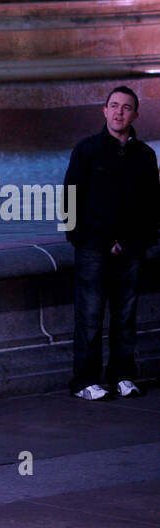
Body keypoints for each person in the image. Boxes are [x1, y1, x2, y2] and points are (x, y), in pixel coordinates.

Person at [63, 85, 160, 400]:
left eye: (126, 107)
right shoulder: (87, 150)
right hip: (93, 248)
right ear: (104, 111)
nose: (119, 112)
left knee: (125, 317)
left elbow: (151, 203)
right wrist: (78, 238)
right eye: (114, 106)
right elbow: (70, 197)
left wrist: (142, 240)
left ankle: (122, 376)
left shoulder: (144, 155)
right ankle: (85, 381)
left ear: (135, 114)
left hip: (131, 249)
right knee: (90, 317)